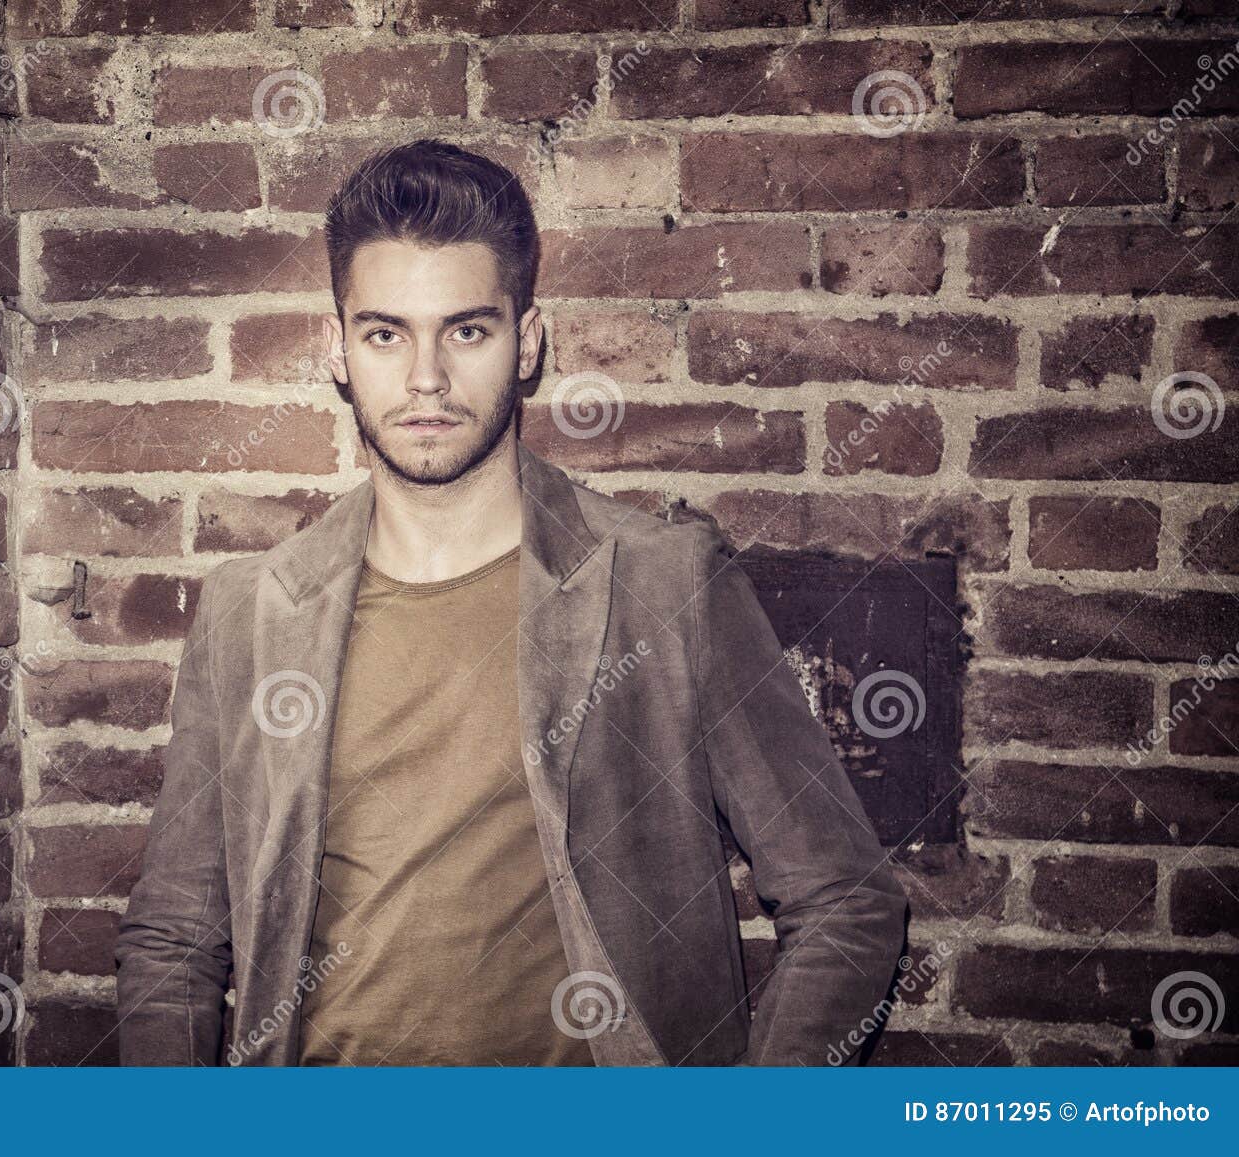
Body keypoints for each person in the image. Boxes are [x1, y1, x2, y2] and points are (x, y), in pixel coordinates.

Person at [116, 138, 908, 1066]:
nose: (425, 379)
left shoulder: (663, 584)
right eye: (385, 333)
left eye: (466, 329)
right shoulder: (248, 611)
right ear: (337, 349)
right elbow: (173, 937)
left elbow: (846, 900)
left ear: (526, 340)